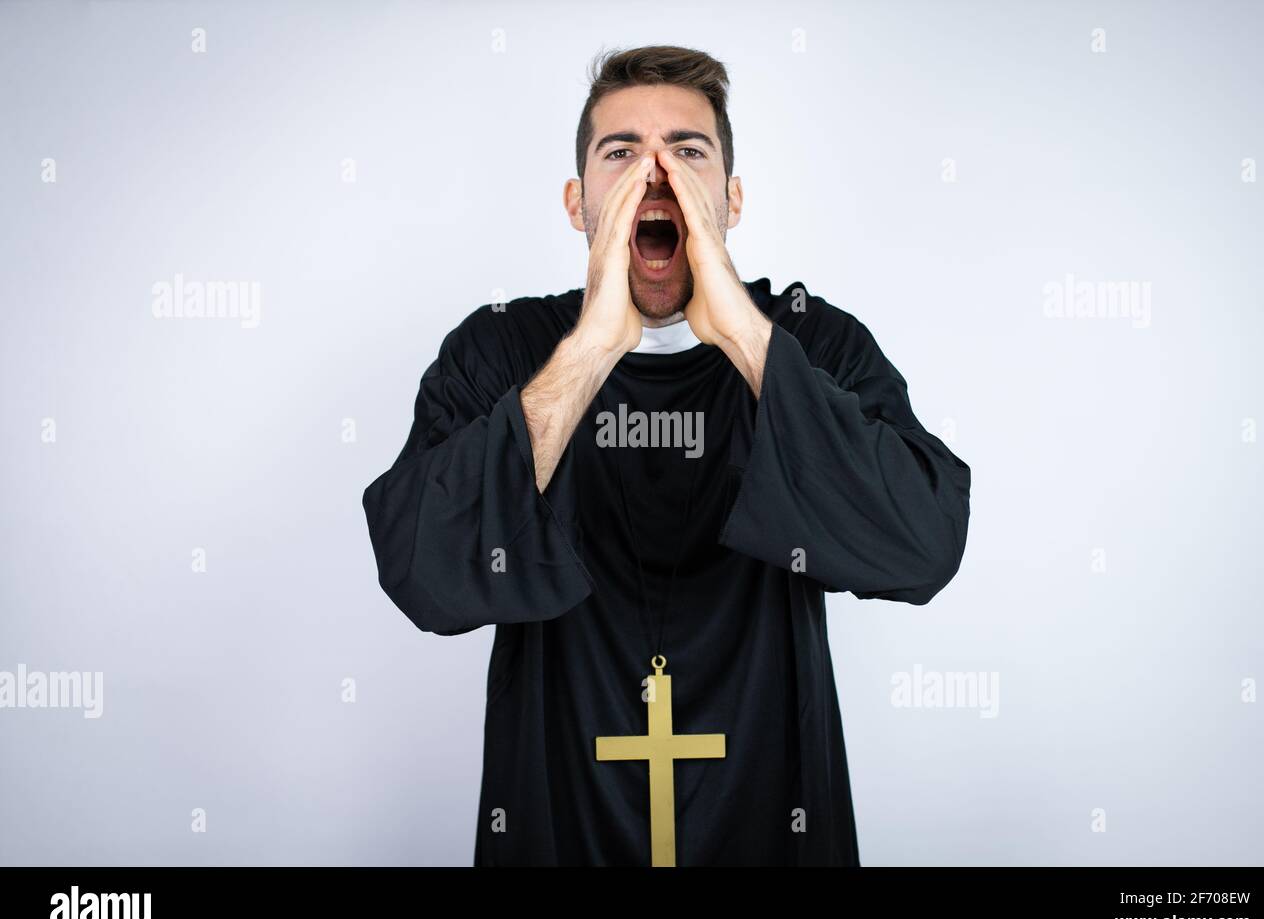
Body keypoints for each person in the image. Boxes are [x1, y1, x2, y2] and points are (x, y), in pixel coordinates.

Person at [362, 45, 972, 866]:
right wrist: (591, 351)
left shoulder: (812, 345)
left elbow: (925, 543)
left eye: (688, 152)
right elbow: (418, 569)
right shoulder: (502, 351)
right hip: (556, 824)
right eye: (621, 154)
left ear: (733, 198)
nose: (658, 178)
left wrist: (747, 341)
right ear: (579, 203)